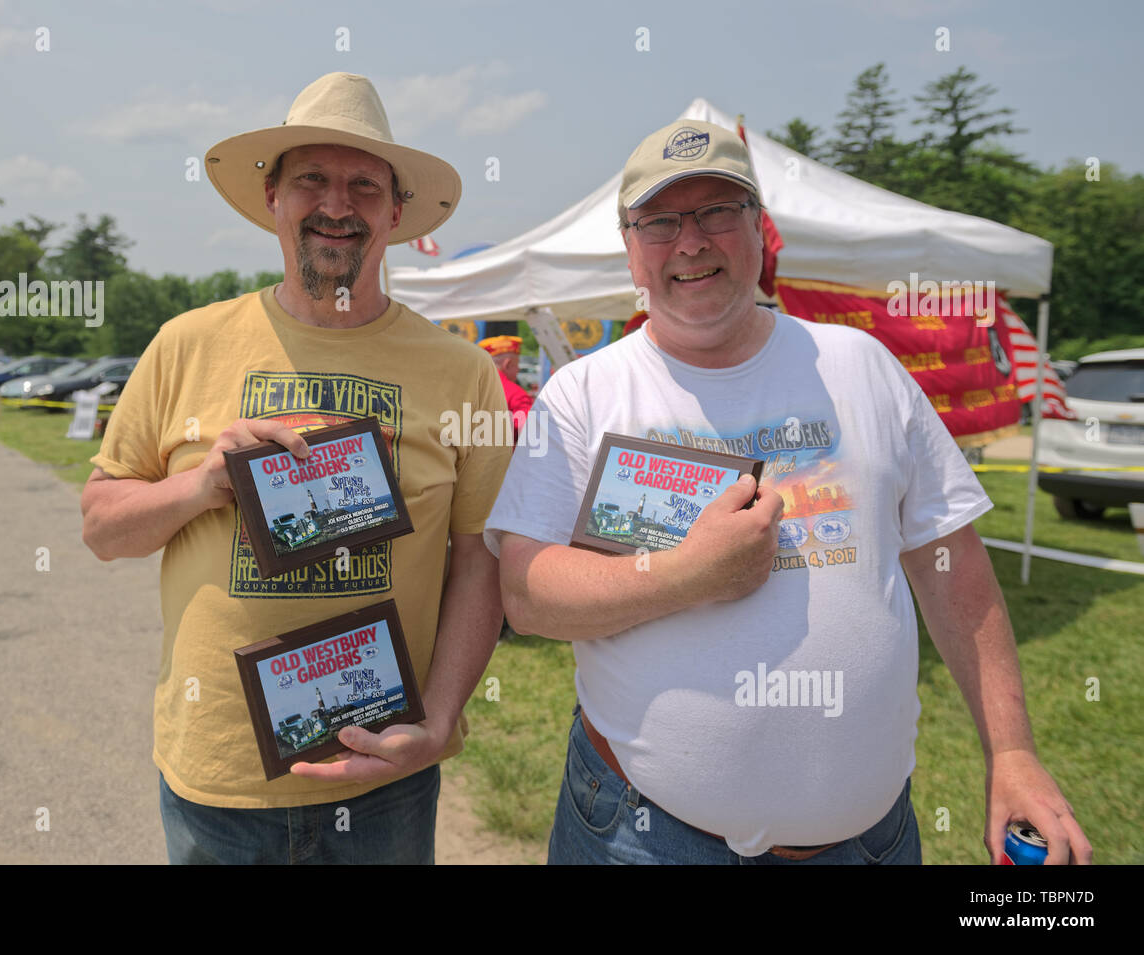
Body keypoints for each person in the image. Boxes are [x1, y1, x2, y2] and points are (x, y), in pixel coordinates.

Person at [483, 119, 1092, 865]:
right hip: (641, 835)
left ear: (759, 229)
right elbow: (526, 591)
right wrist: (688, 574)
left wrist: (1014, 752)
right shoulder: (582, 394)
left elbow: (955, 567)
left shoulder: (861, 366)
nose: (691, 241)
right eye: (661, 222)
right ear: (631, 248)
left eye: (716, 211)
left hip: (867, 839)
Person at [80, 72, 512, 864]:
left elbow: (480, 558)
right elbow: (103, 527)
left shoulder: (463, 373)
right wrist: (203, 483)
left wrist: (442, 718)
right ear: (274, 196)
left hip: (385, 776)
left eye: (364, 185)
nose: (337, 203)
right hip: (221, 782)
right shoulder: (187, 343)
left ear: (396, 213)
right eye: (312, 177)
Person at [477, 335, 534, 440]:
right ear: (507, 364)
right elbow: (531, 433)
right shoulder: (517, 394)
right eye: (517, 364)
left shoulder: (467, 387)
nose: (518, 369)